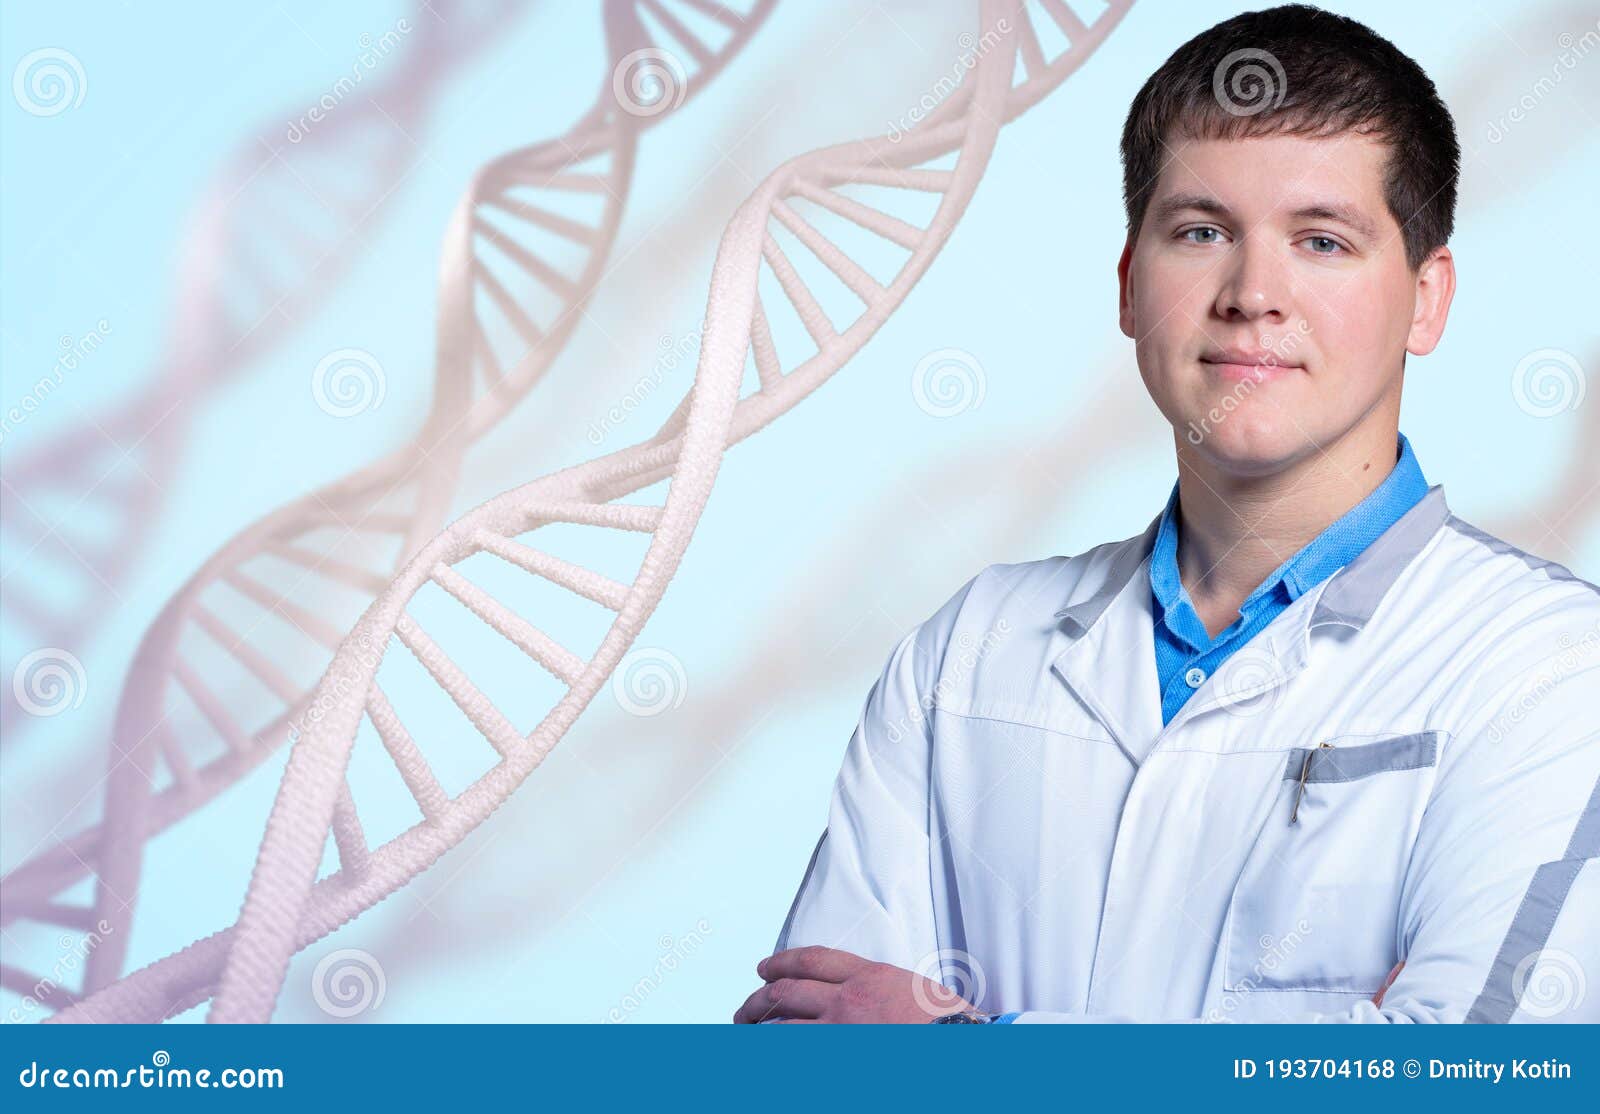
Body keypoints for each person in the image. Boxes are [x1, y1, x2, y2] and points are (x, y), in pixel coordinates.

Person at [734, 3, 1598, 1024]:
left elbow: (1479, 1079)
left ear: (1425, 298)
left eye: (1322, 241)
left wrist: (962, 1049)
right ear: (1129, 285)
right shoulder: (969, 654)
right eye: (1201, 232)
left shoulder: (1550, 670)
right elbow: (808, 1065)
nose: (1253, 293)